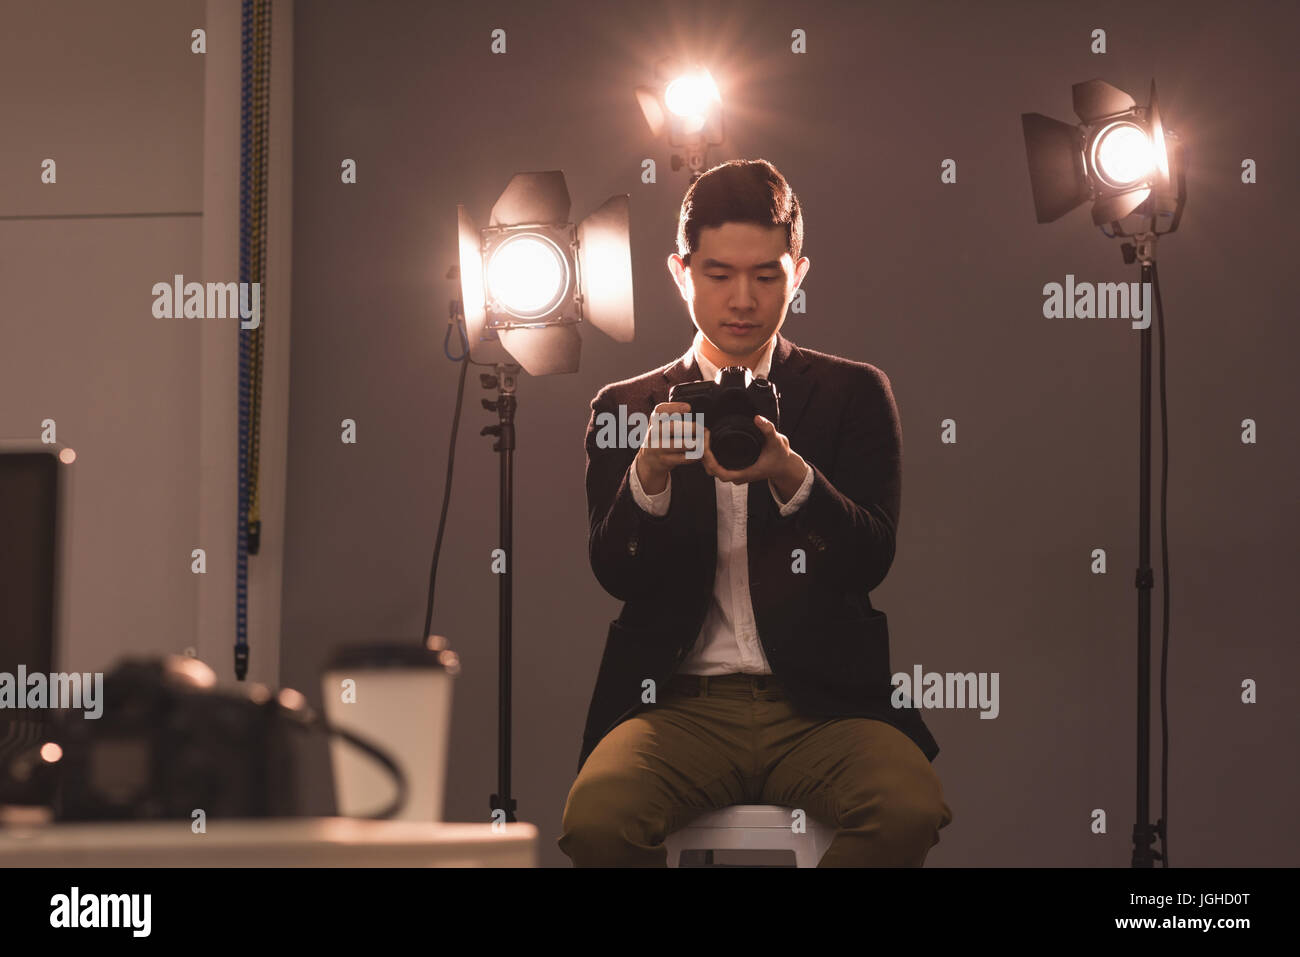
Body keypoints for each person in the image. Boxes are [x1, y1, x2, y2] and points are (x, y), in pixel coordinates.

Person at [558, 158, 952, 866]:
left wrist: (791, 475)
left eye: (766, 275)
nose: (742, 298)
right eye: (718, 274)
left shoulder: (853, 393)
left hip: (825, 707)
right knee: (597, 822)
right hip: (674, 704)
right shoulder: (628, 407)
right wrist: (646, 473)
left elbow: (872, 557)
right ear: (680, 272)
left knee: (906, 808)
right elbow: (615, 571)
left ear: (797, 273)